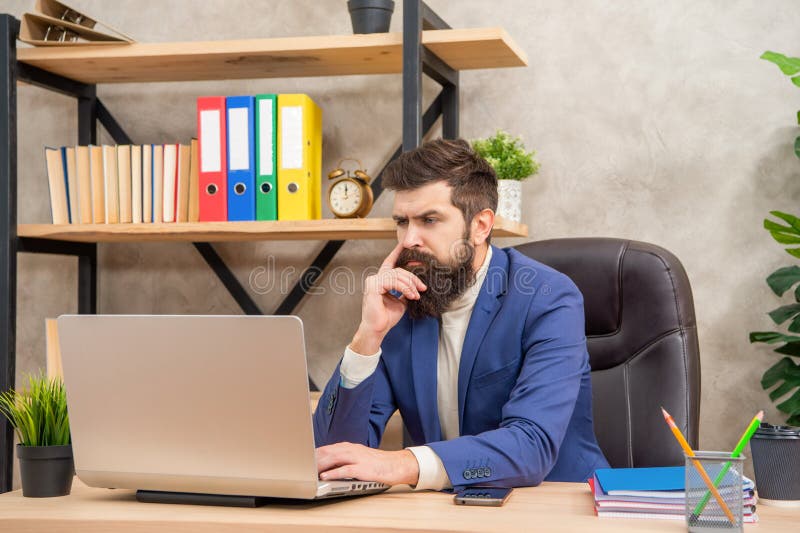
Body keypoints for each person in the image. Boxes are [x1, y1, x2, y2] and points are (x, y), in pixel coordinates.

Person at [313, 138, 609, 490]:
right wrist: (367, 338)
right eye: (402, 222)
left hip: (557, 507)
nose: (409, 240)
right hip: (450, 513)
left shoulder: (549, 300)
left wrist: (402, 463)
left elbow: (531, 446)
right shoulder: (402, 303)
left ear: (481, 226)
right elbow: (330, 455)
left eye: (429, 220)